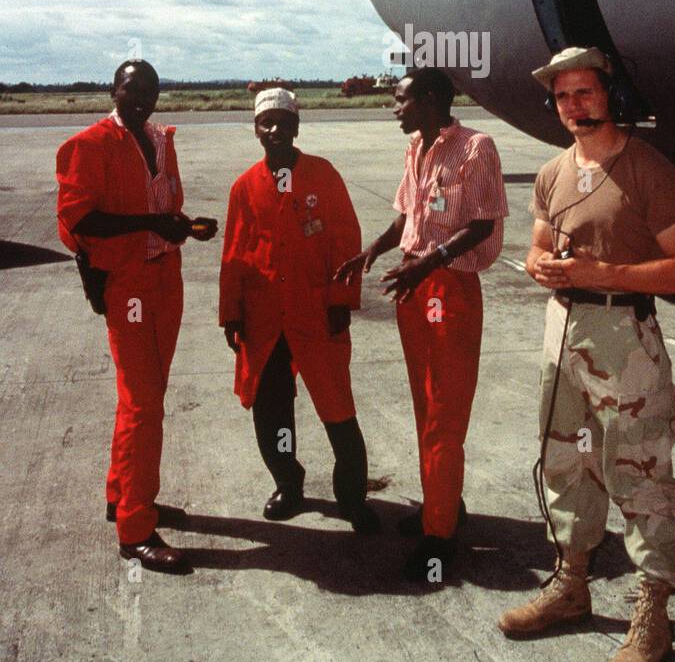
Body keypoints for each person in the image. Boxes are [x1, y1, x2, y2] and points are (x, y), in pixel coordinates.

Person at [497, 46, 675, 662]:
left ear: (610, 94)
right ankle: (572, 584)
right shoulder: (554, 172)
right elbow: (534, 244)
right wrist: (540, 265)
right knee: (565, 460)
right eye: (562, 97)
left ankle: (652, 616)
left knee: (638, 469)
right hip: (564, 328)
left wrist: (600, 273)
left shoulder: (647, 169)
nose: (574, 106)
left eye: (584, 93)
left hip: (624, 333)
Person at [335, 68, 508, 582]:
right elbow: (407, 215)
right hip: (416, 286)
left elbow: (482, 223)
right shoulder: (416, 147)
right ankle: (443, 506)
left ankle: (440, 538)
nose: (395, 107)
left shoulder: (477, 148)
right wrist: (372, 250)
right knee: (425, 404)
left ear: (429, 100)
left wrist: (428, 263)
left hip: (448, 289)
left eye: (401, 99)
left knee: (444, 412)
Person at [56, 60, 217, 576]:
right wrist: (147, 224)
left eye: (150, 89)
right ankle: (135, 531)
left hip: (165, 277)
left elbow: (161, 205)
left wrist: (185, 227)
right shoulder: (91, 144)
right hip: (128, 285)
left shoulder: (159, 139)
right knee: (143, 403)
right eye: (132, 89)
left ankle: (122, 495)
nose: (142, 97)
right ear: (114, 90)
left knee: (145, 396)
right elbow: (81, 218)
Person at [219, 88, 379, 533]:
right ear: (256, 129)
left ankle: (351, 495)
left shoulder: (323, 176)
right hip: (264, 319)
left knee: (337, 406)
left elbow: (345, 240)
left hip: (315, 312)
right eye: (266, 123)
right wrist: (231, 313)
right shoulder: (245, 187)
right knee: (272, 410)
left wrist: (341, 300)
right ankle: (288, 483)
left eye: (283, 122)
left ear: (296, 127)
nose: (275, 130)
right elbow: (233, 253)